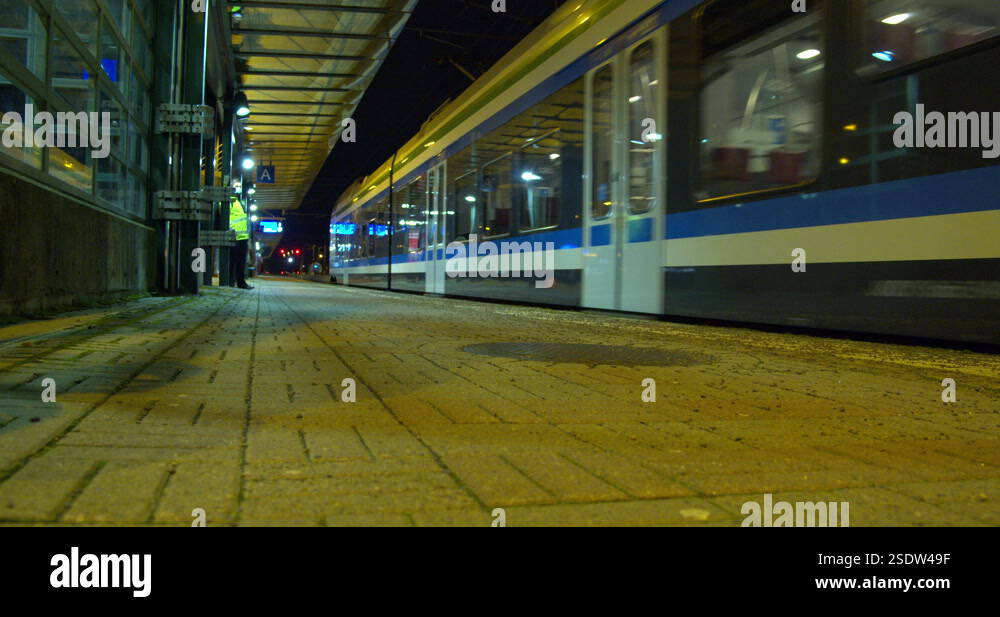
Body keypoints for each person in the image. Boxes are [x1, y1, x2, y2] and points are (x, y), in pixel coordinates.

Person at [229, 195, 254, 290]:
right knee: (233, 261)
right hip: (233, 236)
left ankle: (240, 282)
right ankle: (231, 282)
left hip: (243, 237)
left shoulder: (238, 202)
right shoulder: (228, 202)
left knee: (241, 262)